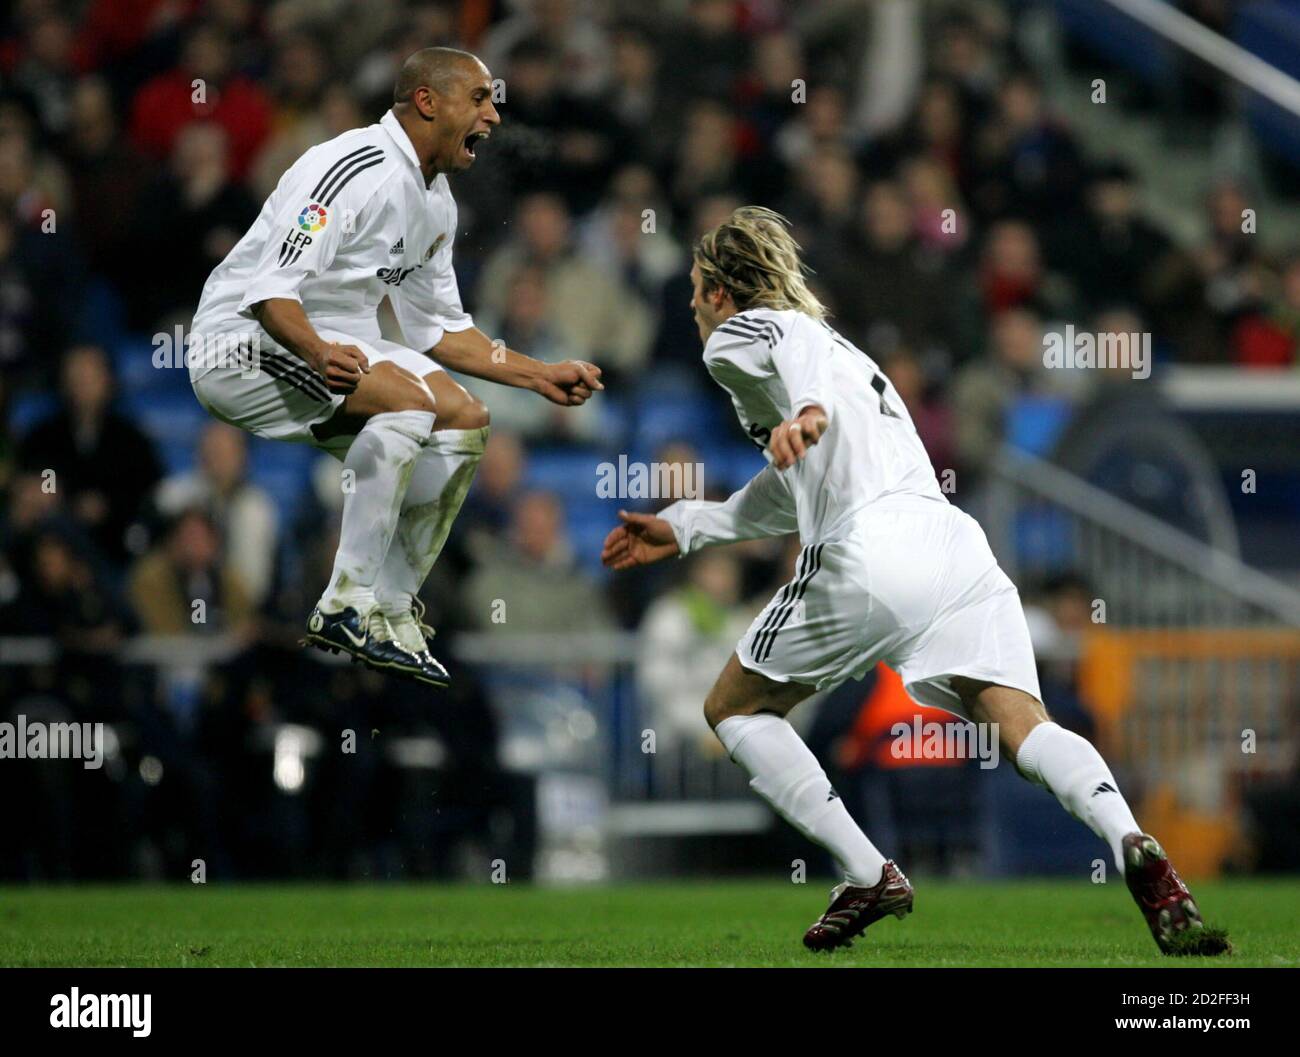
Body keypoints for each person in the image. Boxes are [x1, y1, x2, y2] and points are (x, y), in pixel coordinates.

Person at [601, 206, 1227, 957]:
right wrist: (689, 525)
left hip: (870, 551)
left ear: (721, 294)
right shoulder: (846, 359)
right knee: (1026, 727)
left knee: (734, 707)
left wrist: (803, 411)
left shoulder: (757, 334)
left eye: (699, 289)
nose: (694, 306)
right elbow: (787, 487)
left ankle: (867, 871)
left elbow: (789, 354)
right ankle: (1129, 835)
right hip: (954, 548)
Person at [188, 47, 602, 688]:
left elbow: (441, 332)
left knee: (466, 417)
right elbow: (270, 292)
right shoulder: (351, 169)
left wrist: (538, 374)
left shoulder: (437, 204)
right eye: (481, 99)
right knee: (408, 401)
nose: (493, 116)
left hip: (334, 346)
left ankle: (390, 606)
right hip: (239, 344)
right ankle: (344, 602)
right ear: (429, 102)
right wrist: (321, 353)